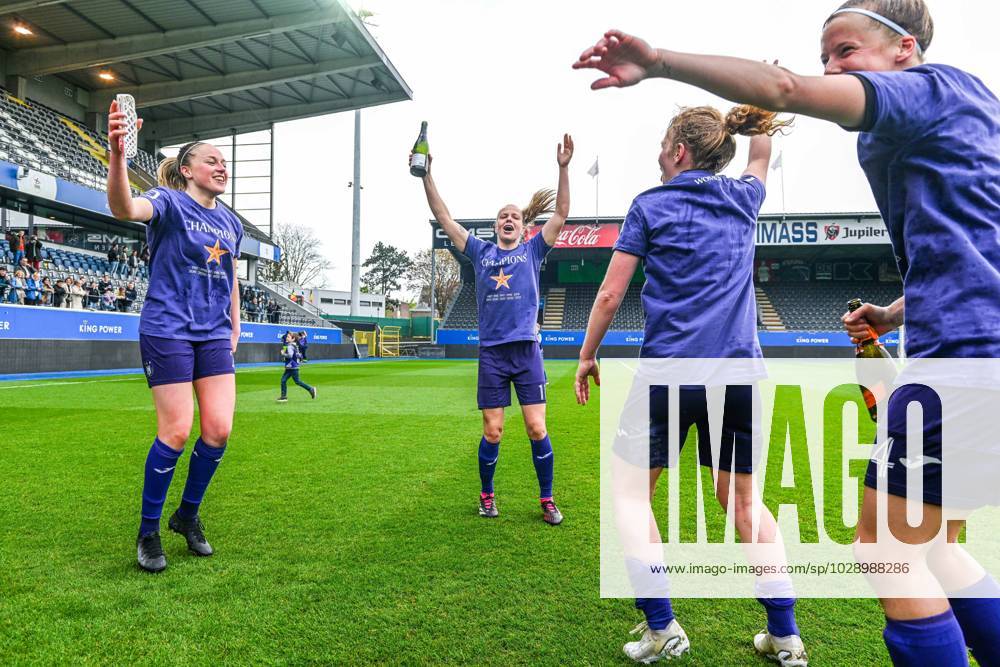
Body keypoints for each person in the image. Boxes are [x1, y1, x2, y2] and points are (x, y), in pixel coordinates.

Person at [574, 3, 1000, 665]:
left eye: (844, 50)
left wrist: (657, 63)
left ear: (905, 50)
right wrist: (891, 316)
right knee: (929, 541)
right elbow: (968, 252)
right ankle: (785, 631)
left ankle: (662, 623)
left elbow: (784, 91)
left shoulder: (925, 90)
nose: (830, 68)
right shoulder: (968, 112)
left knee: (885, 544)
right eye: (824, 55)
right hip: (752, 371)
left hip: (954, 360)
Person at [574, 104, 803, 664]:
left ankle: (662, 627)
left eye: (662, 143)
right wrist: (763, 110)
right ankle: (786, 635)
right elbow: (761, 152)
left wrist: (586, 355)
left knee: (630, 496)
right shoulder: (743, 198)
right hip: (739, 374)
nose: (658, 153)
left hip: (669, 371)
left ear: (679, 151)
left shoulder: (650, 205)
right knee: (744, 502)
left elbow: (609, 294)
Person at [107, 99, 243, 574]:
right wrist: (118, 153)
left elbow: (231, 276)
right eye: (212, 160)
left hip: (213, 334)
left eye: (224, 163)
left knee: (219, 430)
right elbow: (124, 207)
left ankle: (186, 516)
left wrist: (236, 321)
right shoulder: (167, 202)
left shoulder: (232, 222)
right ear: (186, 170)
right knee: (177, 430)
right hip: (167, 328)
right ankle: (147, 531)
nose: (221, 167)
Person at [416, 133, 574, 525]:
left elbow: (561, 216)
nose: (508, 219)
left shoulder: (533, 250)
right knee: (494, 432)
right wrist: (426, 176)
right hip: (492, 354)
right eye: (503, 216)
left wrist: (563, 168)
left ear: (523, 227)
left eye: (515, 217)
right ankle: (487, 496)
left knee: (537, 428)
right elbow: (445, 218)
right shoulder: (480, 251)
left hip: (525, 353)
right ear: (494, 225)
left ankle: (547, 499)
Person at [277, 332, 317, 402]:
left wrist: (283, 354)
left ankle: (311, 389)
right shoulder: (295, 346)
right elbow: (299, 356)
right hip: (291, 367)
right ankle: (283, 397)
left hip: (292, 367)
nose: (286, 338)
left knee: (297, 381)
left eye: (288, 337)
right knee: (283, 380)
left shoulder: (290, 346)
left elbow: (290, 355)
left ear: (293, 339)